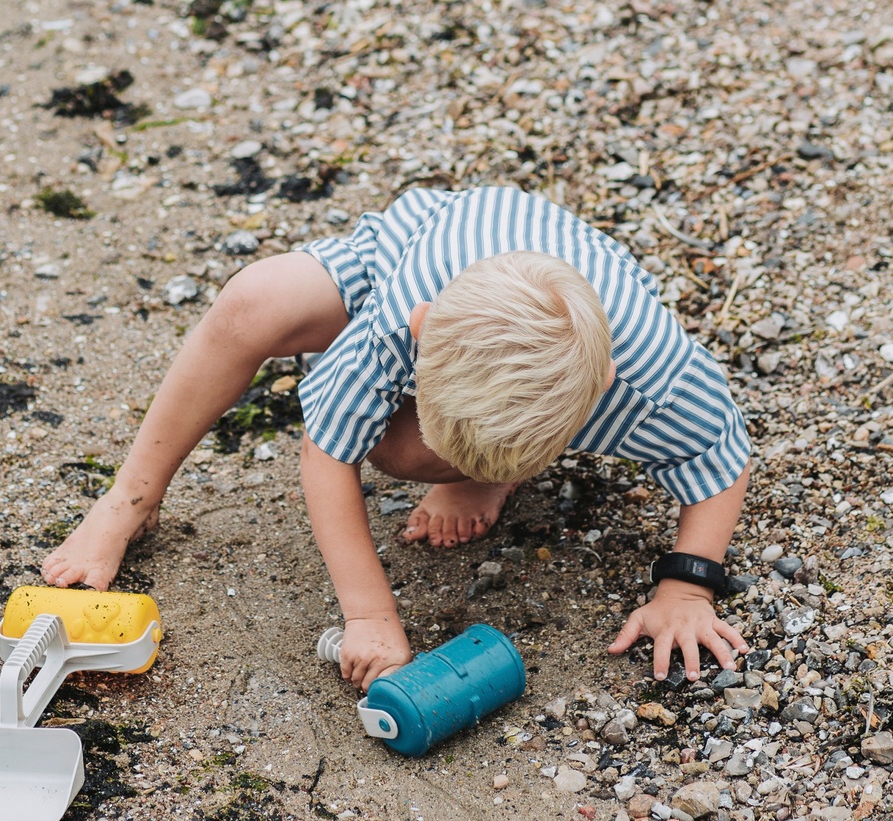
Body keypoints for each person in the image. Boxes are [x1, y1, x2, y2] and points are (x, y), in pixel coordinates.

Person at [42, 186, 751, 690]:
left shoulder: (657, 379)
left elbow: (719, 456)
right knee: (255, 303)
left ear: (602, 393)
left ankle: (485, 470)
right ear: (418, 334)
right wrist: (370, 613)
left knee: (421, 449)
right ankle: (130, 498)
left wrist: (686, 588)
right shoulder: (400, 320)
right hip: (396, 254)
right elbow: (328, 452)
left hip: (538, 328)